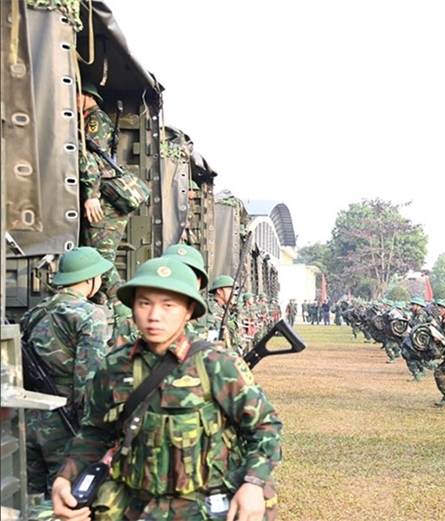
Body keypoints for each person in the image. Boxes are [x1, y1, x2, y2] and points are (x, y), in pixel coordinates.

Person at [51, 257, 282, 520]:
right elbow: (94, 433)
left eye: (168, 305)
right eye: (144, 303)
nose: (154, 316)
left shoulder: (216, 364)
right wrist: (64, 478)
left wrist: (253, 483)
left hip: (204, 506)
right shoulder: (114, 367)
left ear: (188, 311)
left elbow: (265, 425)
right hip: (138, 506)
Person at [21, 247, 113, 496]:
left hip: (31, 417)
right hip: (65, 420)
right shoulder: (90, 315)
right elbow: (89, 378)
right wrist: (92, 430)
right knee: (64, 496)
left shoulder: (35, 312)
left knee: (29, 499)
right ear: (89, 279)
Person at [77, 82, 129, 315]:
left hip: (104, 200)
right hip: (106, 199)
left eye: (77, 95)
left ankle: (124, 311)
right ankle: (98, 304)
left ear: (88, 96)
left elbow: (91, 160)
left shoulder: (94, 120)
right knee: (94, 255)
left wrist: (92, 196)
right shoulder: (90, 119)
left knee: (101, 259)